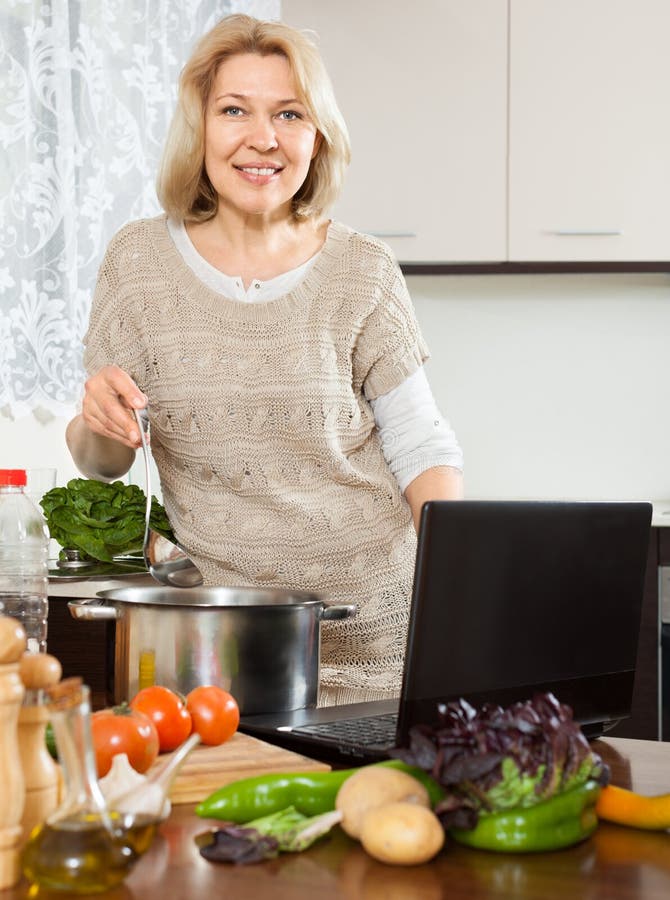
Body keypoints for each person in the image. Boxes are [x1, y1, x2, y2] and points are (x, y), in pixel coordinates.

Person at [66, 14, 464, 706]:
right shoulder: (138, 264)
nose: (263, 138)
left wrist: (465, 583)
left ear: (317, 136)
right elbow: (104, 457)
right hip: (224, 655)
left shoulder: (363, 269)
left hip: (380, 642)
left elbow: (420, 443)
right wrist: (96, 419)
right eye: (234, 110)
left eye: (289, 113)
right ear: (200, 127)